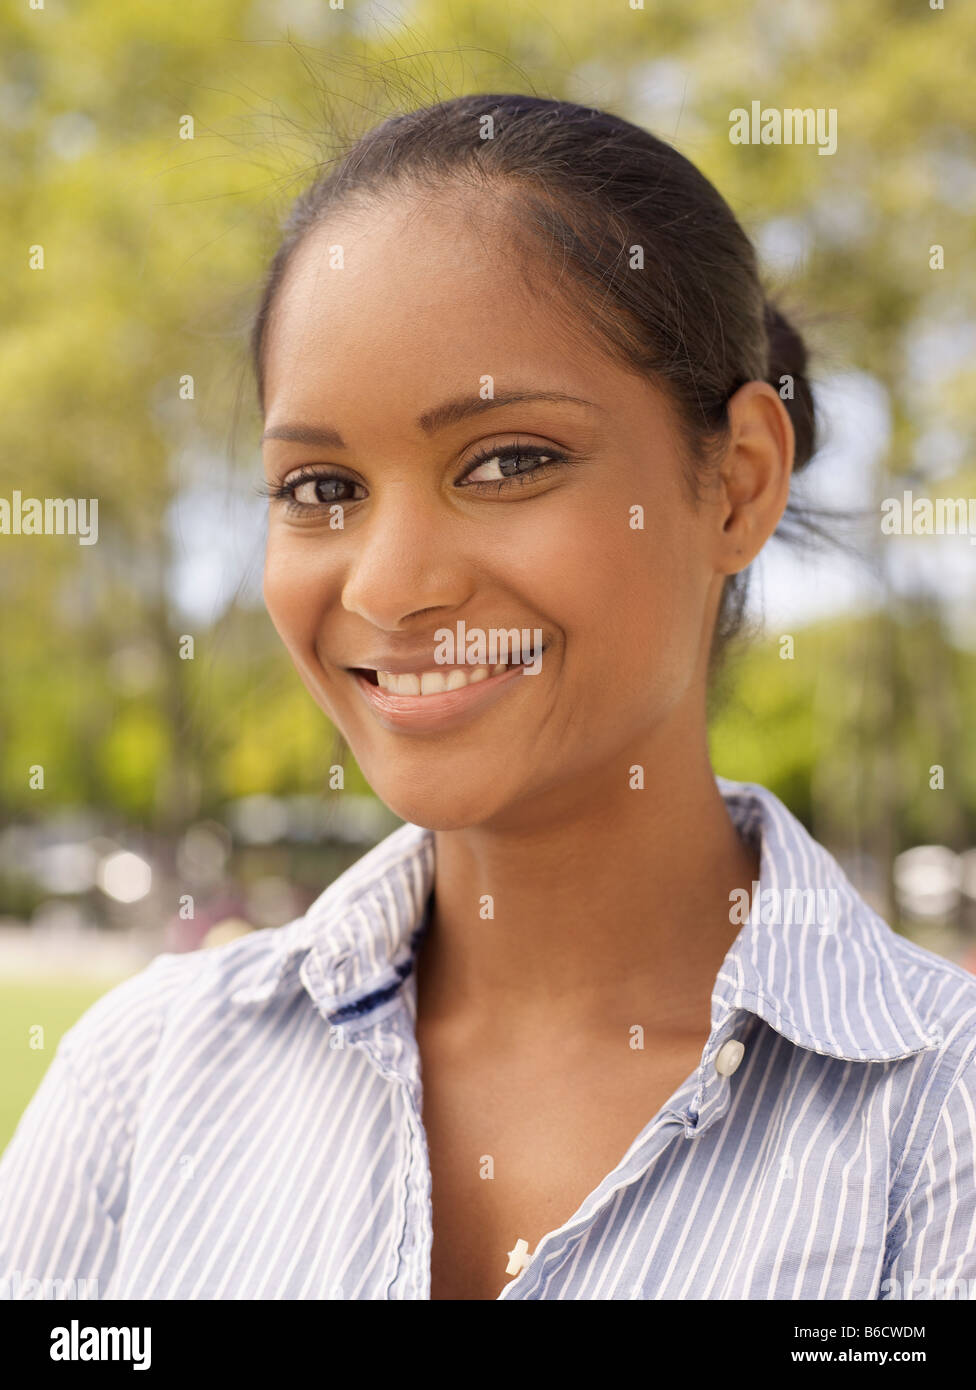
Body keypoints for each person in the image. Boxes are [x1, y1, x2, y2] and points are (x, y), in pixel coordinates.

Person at [2, 93, 975, 1302]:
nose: (393, 584)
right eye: (318, 486)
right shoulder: (141, 1080)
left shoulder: (942, 1123)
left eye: (508, 461)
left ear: (735, 484)